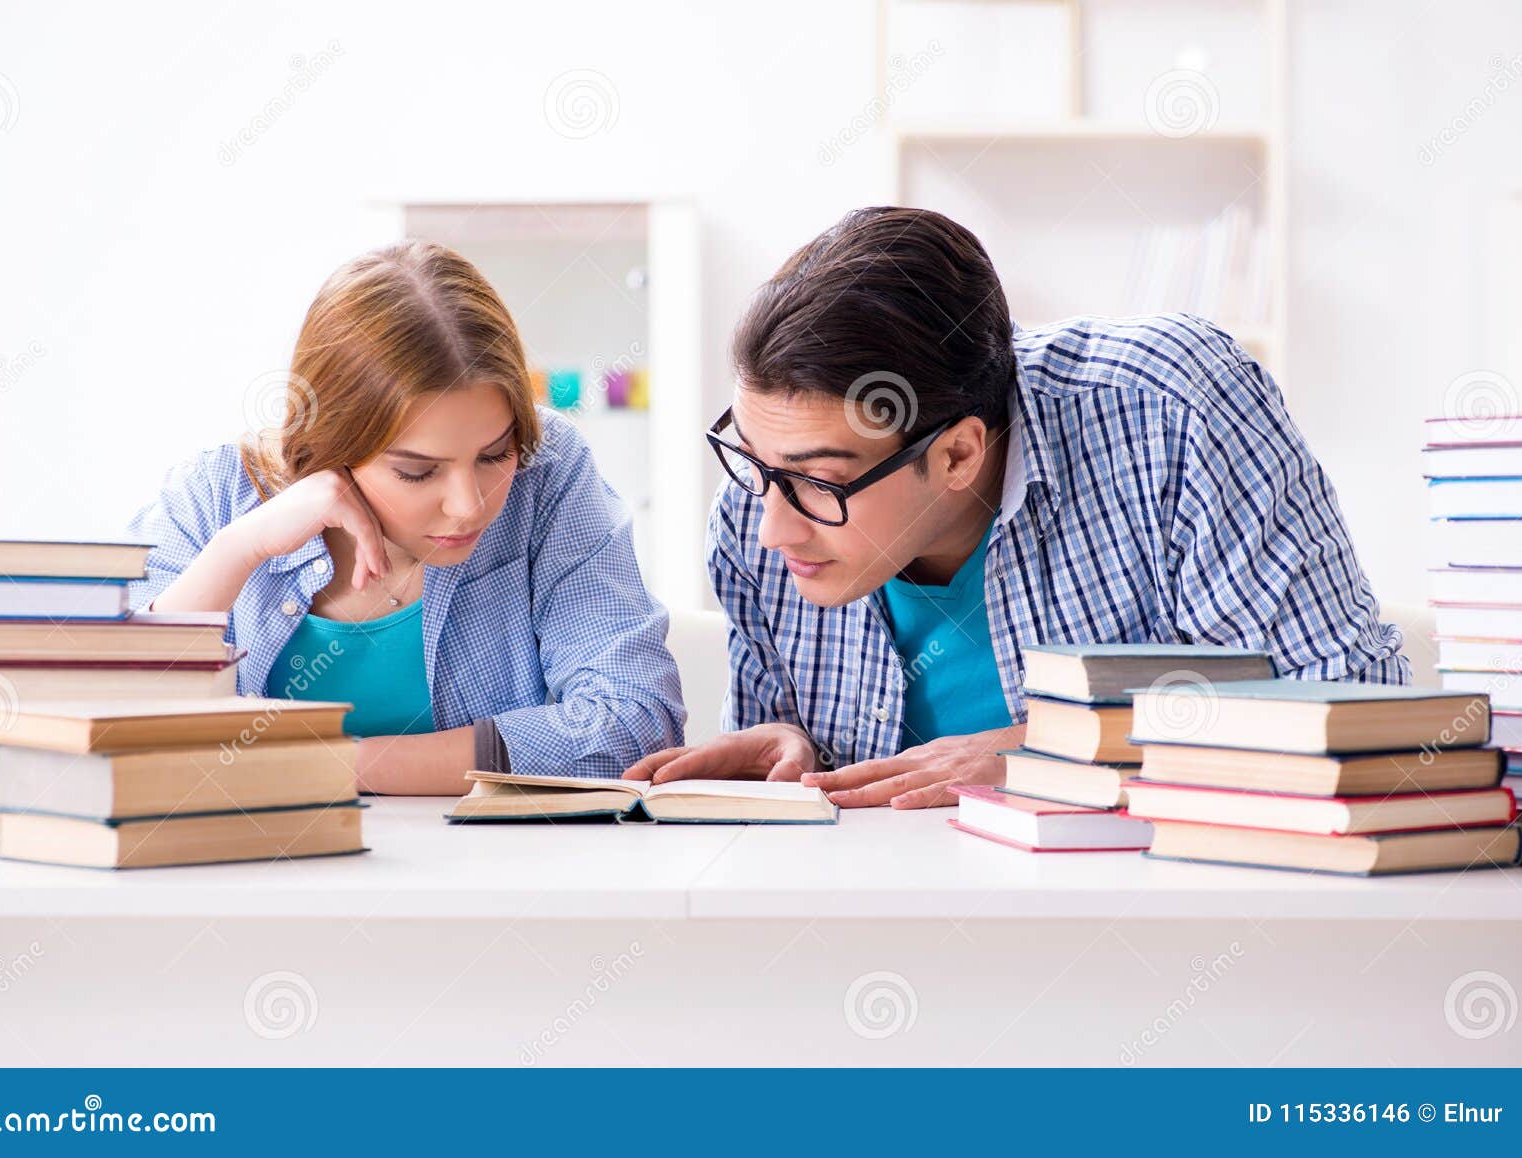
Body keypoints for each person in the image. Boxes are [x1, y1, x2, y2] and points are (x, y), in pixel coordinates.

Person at [625, 207, 1406, 807]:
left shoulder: (1172, 411)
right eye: (752, 463)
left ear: (959, 453)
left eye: (816, 482)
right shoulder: (754, 514)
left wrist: (1051, 749)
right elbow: (814, 805)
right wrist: (787, 748)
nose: (768, 525)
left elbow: (1360, 704)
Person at [128, 239, 684, 793]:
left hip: (496, 874)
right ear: (331, 445)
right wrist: (238, 552)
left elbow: (634, 723)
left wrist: (327, 765)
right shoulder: (215, 494)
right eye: (418, 472)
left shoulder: (550, 473)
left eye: (494, 455)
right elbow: (114, 723)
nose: (469, 506)